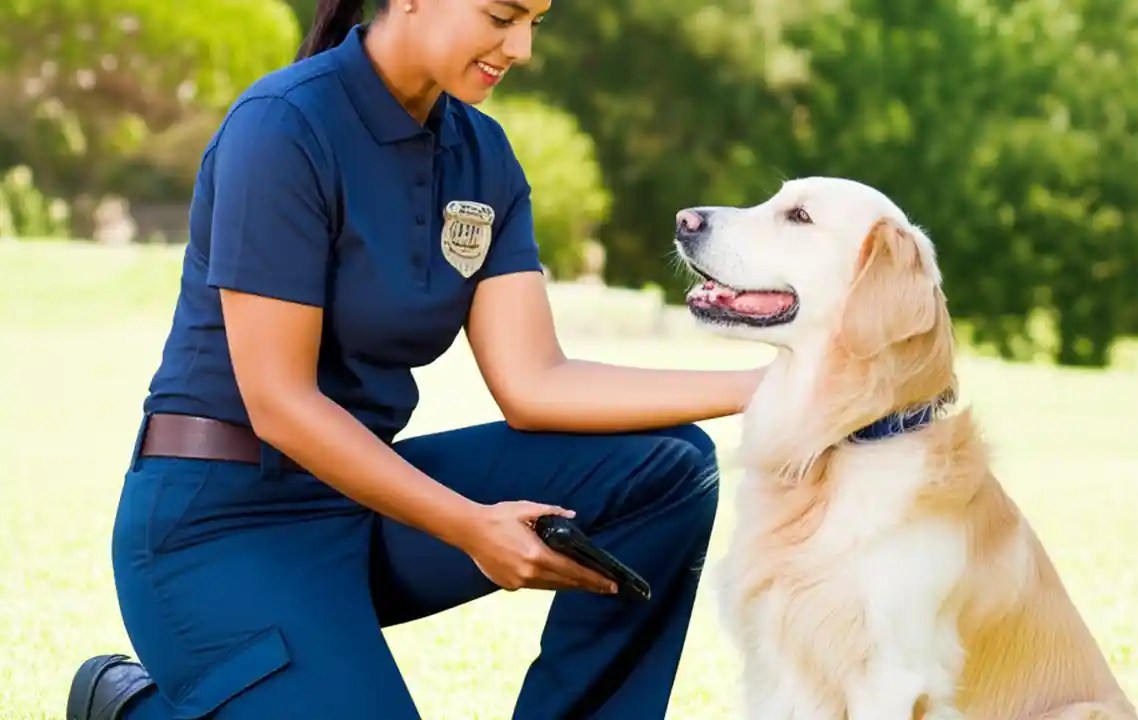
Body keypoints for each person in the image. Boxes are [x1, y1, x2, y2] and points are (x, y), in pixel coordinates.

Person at [64, 1, 764, 718]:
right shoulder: (282, 124)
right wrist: (468, 525)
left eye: (535, 22)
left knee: (668, 468)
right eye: (501, 15)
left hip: (361, 503)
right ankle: (127, 708)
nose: (520, 47)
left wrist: (769, 388)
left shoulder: (481, 155)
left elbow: (535, 382)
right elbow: (279, 402)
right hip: (219, 526)